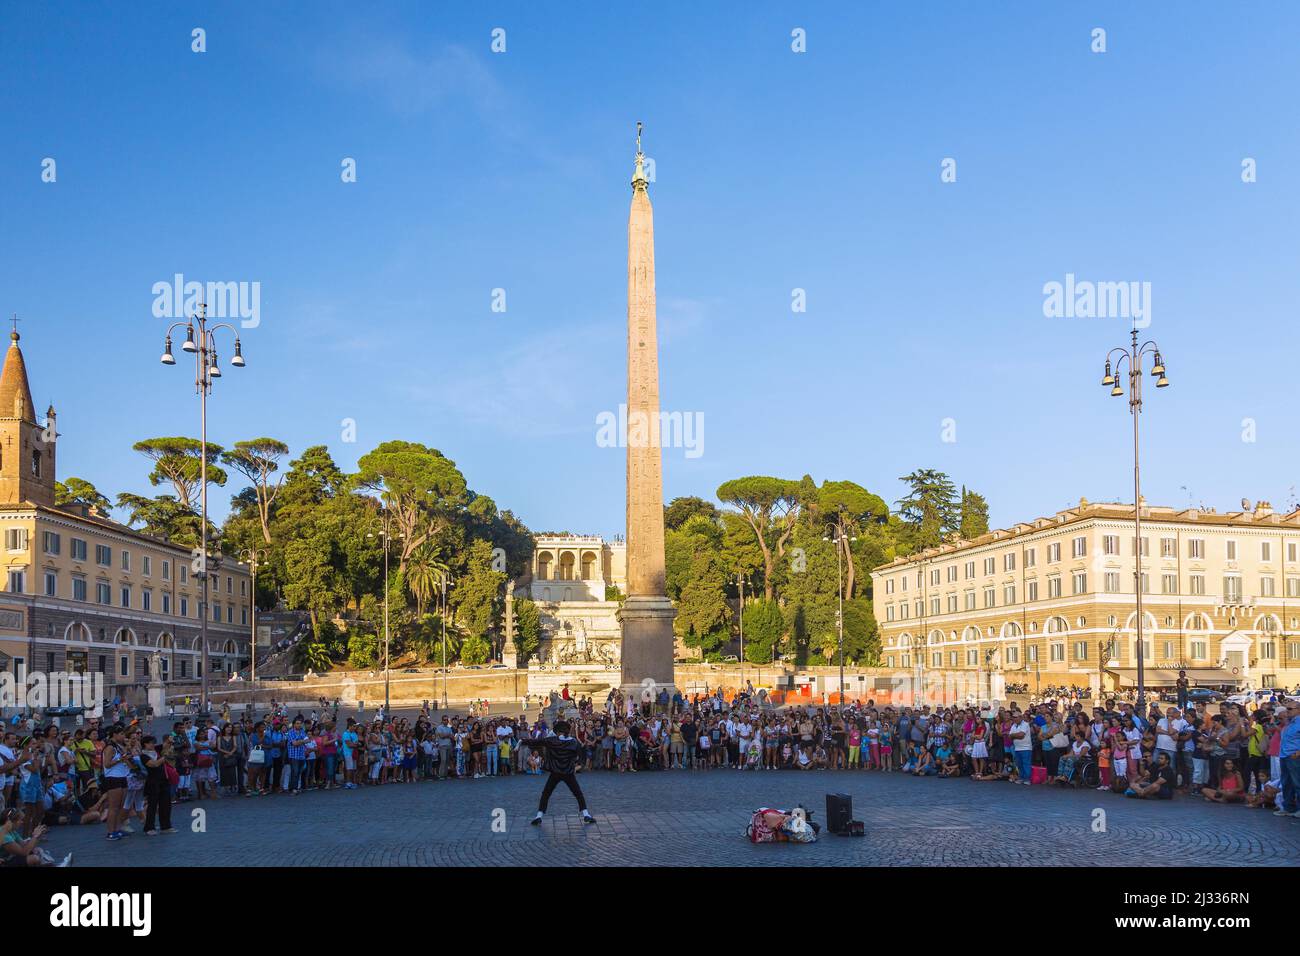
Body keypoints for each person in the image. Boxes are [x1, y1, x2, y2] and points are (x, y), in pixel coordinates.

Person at [528, 720, 594, 826]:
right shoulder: (573, 742)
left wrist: (521, 741)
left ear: (558, 732)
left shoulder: (553, 740)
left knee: (546, 794)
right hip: (568, 773)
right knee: (578, 794)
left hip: (555, 772)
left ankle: (539, 816)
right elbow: (582, 756)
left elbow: (536, 742)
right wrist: (577, 767)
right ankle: (586, 814)